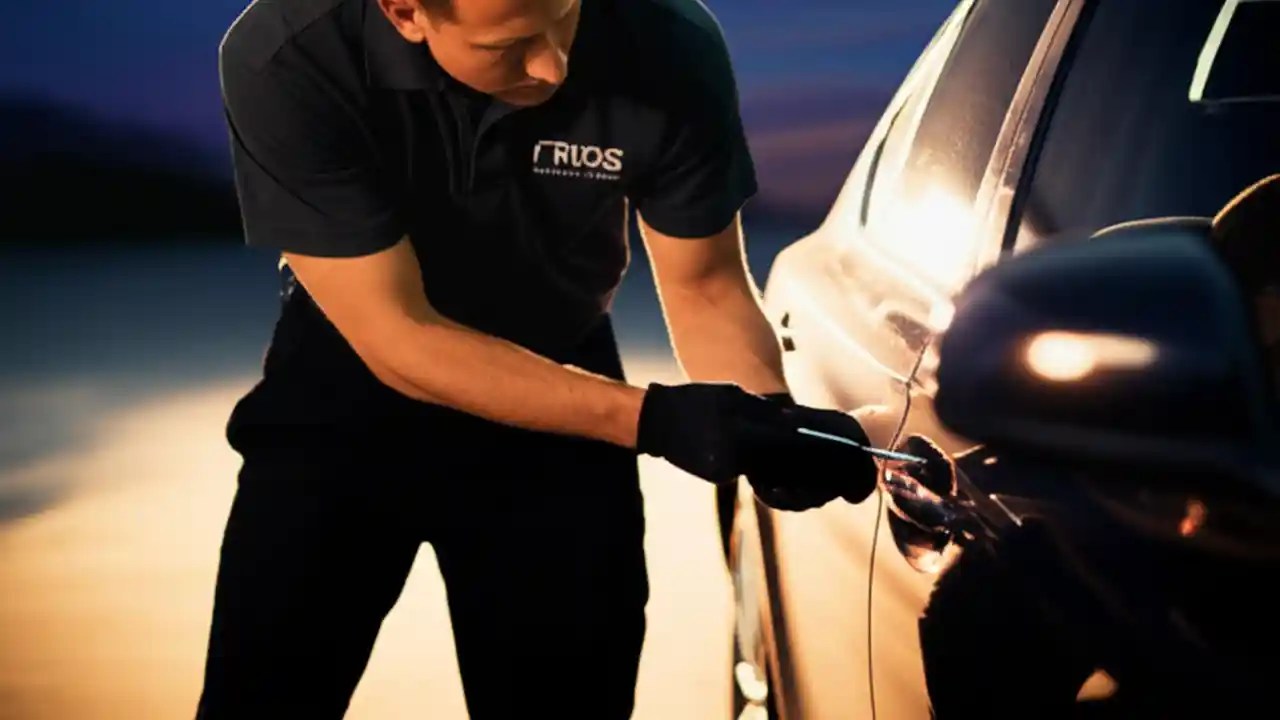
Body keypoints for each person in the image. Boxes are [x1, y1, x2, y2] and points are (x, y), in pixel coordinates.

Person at [196, 0, 880, 717]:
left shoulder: (669, 41)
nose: (555, 64)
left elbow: (706, 284)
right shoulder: (289, 53)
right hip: (347, 393)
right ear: (404, 13)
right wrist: (654, 420)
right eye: (513, 42)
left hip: (564, 395)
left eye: (565, 15)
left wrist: (764, 417)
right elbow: (398, 335)